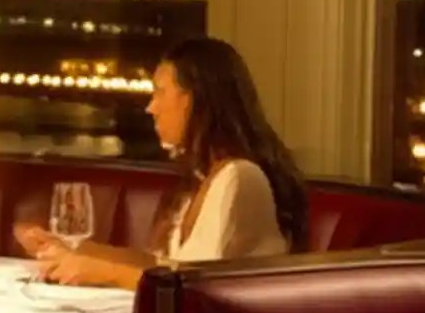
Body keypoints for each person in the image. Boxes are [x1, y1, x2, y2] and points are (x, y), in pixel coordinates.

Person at [17, 37, 307, 290]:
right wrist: (74, 249)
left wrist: (104, 273)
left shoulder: (241, 177)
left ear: (194, 99)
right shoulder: (202, 179)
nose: (151, 107)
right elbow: (163, 266)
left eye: (160, 92)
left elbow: (194, 285)